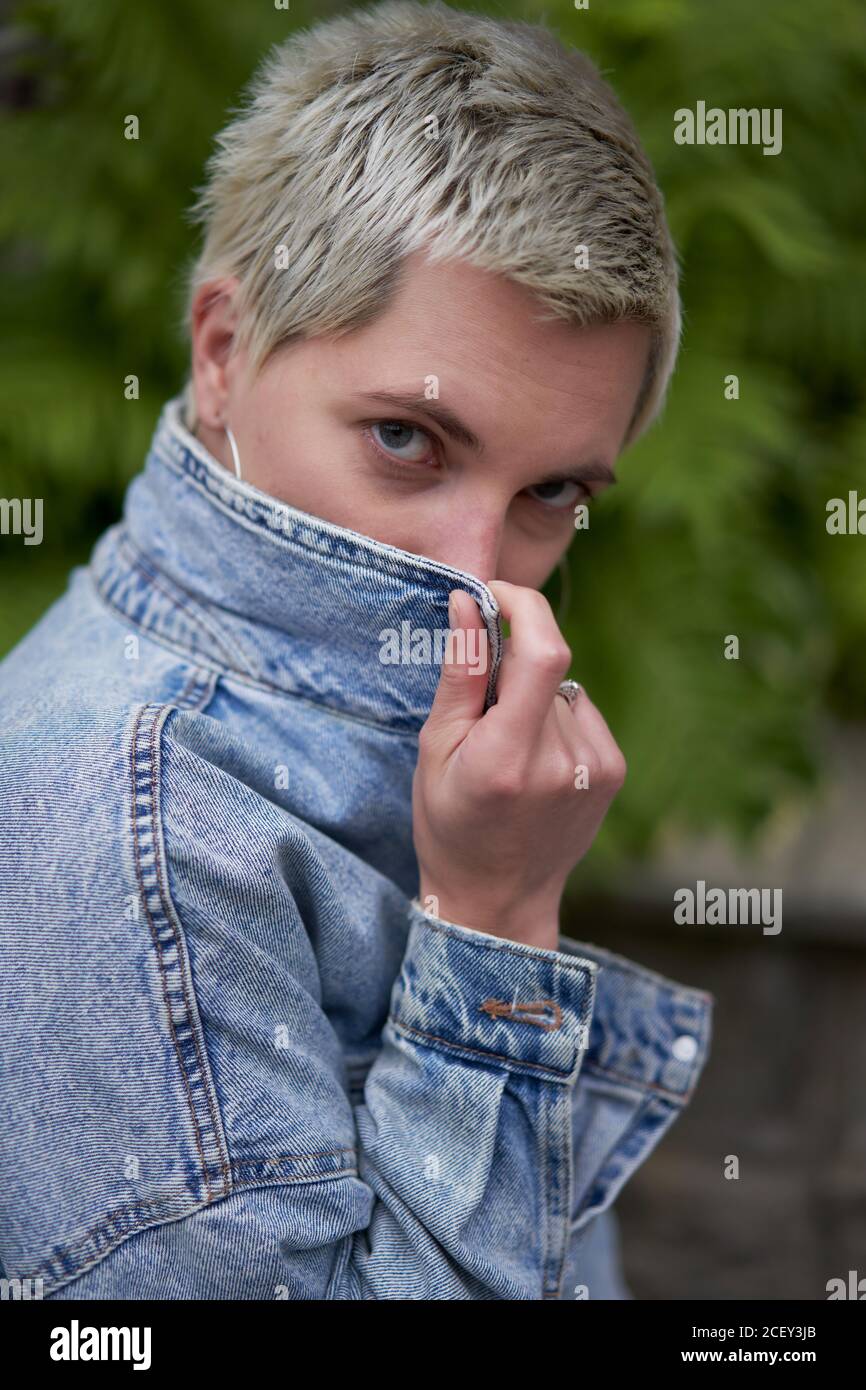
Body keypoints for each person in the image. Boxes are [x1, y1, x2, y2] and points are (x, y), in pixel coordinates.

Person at [0, 0, 712, 1300]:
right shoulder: (135, 832)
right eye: (407, 441)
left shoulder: (409, 757)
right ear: (224, 353)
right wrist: (492, 919)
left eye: (551, 492)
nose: (471, 567)